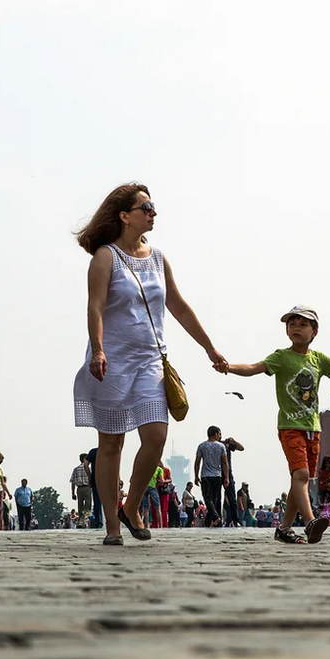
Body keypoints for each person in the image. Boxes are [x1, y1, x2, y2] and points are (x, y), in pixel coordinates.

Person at [73, 183, 228, 545]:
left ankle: (133, 506)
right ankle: (112, 524)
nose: (153, 212)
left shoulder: (158, 258)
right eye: (146, 207)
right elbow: (94, 307)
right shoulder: (105, 257)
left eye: (153, 207)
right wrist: (98, 349)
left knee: (156, 437)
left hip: (150, 362)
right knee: (111, 445)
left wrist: (209, 347)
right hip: (112, 361)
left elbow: (178, 306)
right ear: (125, 215)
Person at [225, 305, 330, 544]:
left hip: (313, 429)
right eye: (292, 324)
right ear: (287, 330)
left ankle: (284, 528)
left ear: (314, 331)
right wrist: (229, 367)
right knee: (302, 474)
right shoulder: (281, 356)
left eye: (303, 324)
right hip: (290, 427)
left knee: (299, 480)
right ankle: (309, 522)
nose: (296, 327)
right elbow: (254, 368)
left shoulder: (318, 359)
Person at [194, 427, 230, 527]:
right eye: (219, 434)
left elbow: (197, 462)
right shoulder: (221, 446)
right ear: (215, 434)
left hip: (206, 475)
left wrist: (196, 476)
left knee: (208, 498)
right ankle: (210, 521)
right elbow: (225, 462)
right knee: (213, 499)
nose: (220, 436)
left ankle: (214, 517)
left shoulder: (202, 446)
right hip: (217, 476)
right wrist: (226, 477)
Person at [222, 436, 245, 527]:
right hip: (217, 472)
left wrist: (233, 441)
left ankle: (236, 520)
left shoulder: (225, 443)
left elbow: (241, 448)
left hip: (227, 471)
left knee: (232, 497)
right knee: (216, 497)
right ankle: (216, 519)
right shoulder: (215, 445)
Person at [71, 454, 93, 527]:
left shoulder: (76, 469)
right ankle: (82, 519)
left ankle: (81, 521)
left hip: (79, 488)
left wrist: (73, 493)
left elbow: (73, 482)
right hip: (87, 487)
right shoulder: (89, 469)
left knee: (80, 505)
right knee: (88, 505)